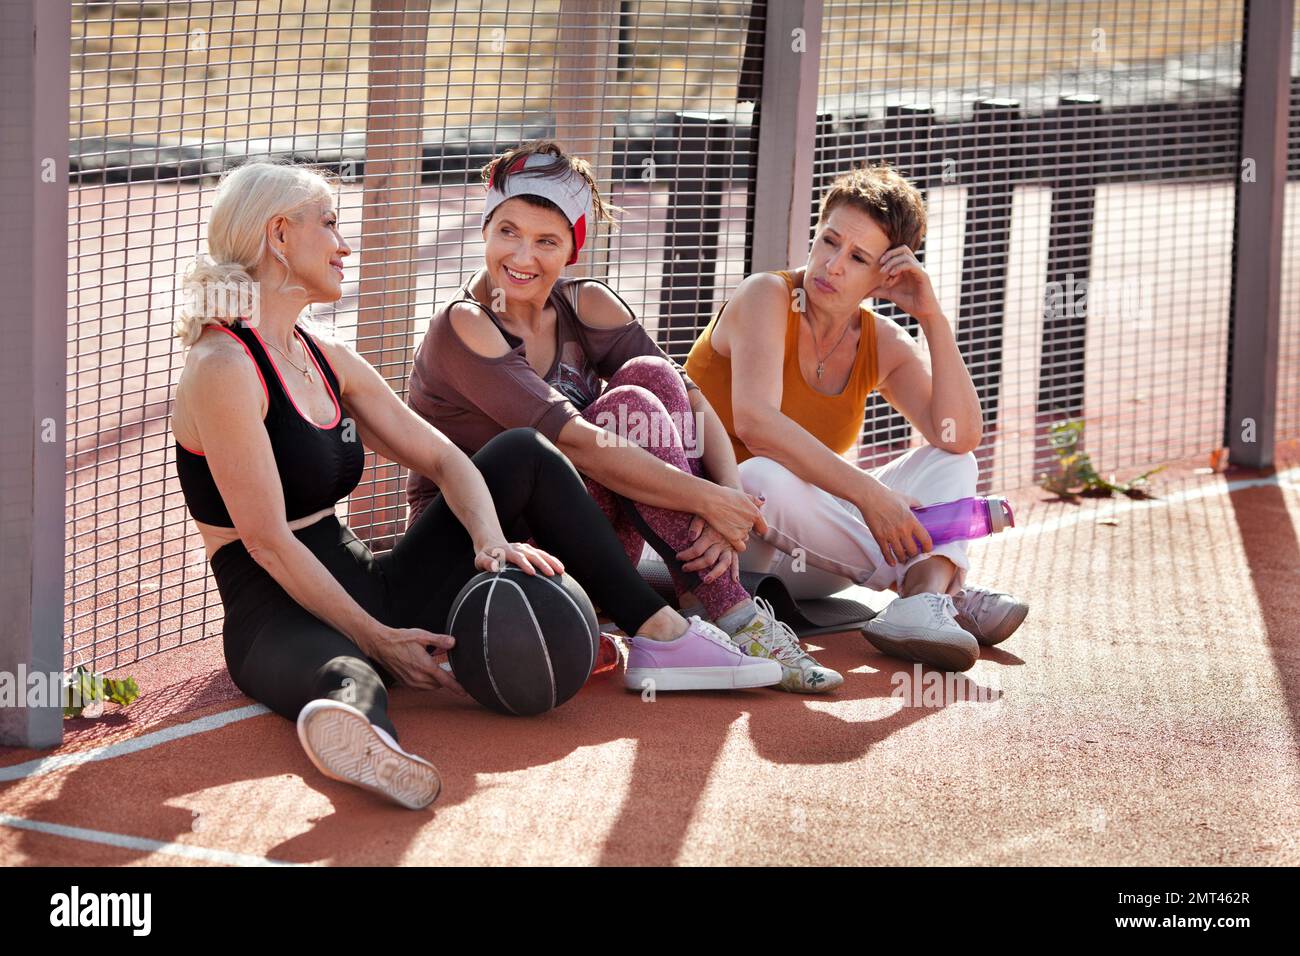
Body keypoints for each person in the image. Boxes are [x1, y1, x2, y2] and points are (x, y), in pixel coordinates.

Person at [169, 162, 779, 810]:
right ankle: (367, 740)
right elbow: (266, 542)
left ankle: (660, 635)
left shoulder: (327, 358)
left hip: (370, 585)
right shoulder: (221, 366)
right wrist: (378, 641)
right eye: (329, 225)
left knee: (522, 451)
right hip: (273, 609)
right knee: (349, 675)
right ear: (280, 235)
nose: (344, 244)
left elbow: (447, 461)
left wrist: (489, 543)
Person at [405, 141, 841, 693]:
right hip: (480, 544)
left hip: (582, 535)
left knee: (651, 378)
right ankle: (732, 614)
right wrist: (704, 499)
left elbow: (695, 405)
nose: (520, 257)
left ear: (571, 251)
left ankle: (701, 603)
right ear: (486, 231)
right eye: (507, 231)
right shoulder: (463, 325)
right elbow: (579, 444)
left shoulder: (585, 304)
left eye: (546, 241)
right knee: (623, 410)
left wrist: (726, 500)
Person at [684, 162, 1029, 673]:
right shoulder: (767, 295)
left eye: (859, 256)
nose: (833, 265)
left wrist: (931, 316)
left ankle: (919, 598)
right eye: (829, 241)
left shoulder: (882, 341)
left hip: (819, 557)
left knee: (951, 462)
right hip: (731, 541)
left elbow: (959, 433)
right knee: (759, 476)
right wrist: (872, 497)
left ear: (884, 275)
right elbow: (757, 423)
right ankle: (933, 587)